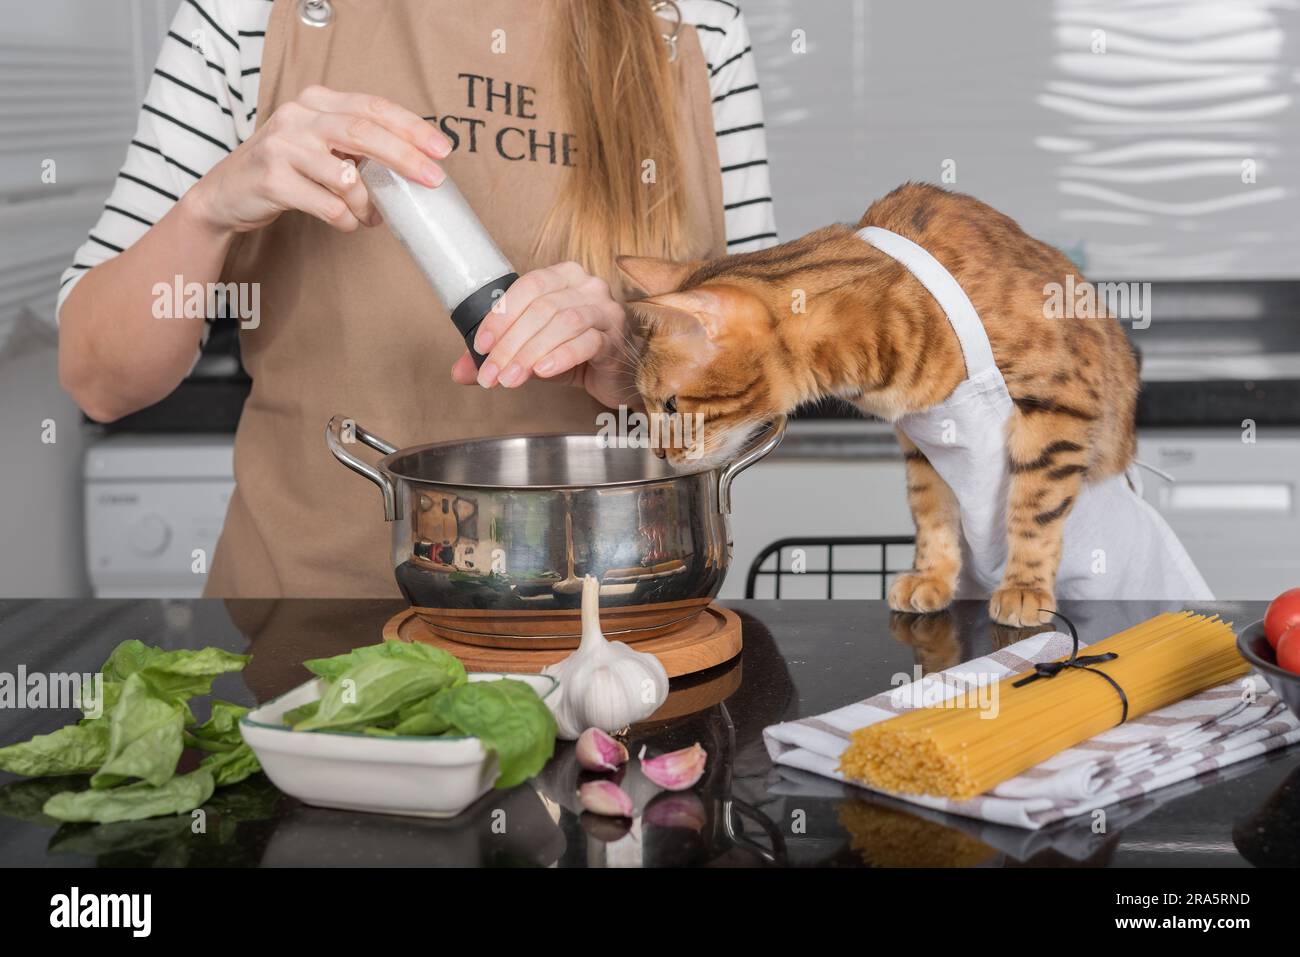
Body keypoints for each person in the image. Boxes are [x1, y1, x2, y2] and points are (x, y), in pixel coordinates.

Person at [56, 0, 776, 597]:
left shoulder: (694, 29)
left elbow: (763, 406)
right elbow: (101, 381)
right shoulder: (247, 16)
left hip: (616, 628)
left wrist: (632, 359)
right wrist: (211, 206)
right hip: (312, 650)